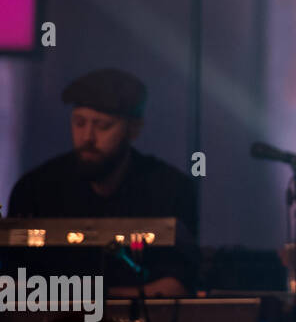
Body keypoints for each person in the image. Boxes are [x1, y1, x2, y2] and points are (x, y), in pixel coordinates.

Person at [5, 68, 198, 296]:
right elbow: (14, 285)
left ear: (134, 129)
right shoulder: (35, 188)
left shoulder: (170, 189)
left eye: (103, 126)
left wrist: (96, 301)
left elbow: (177, 285)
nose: (87, 137)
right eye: (79, 123)